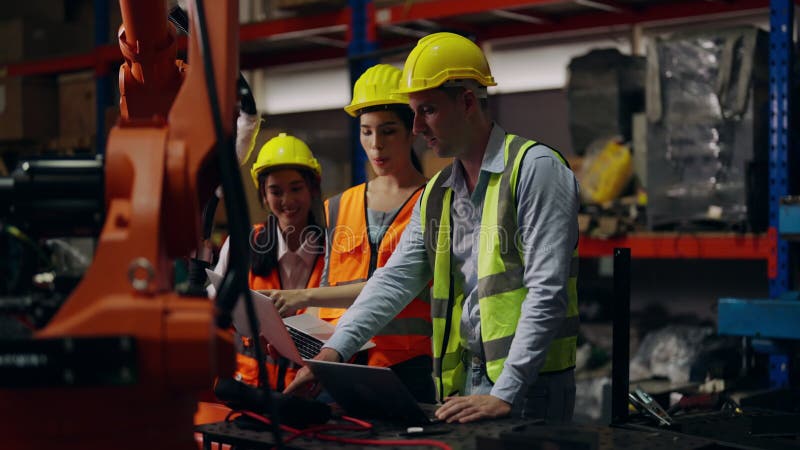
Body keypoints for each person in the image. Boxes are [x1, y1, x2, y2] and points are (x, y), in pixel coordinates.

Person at [286, 32, 580, 425]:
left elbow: (548, 292)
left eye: (427, 110)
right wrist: (332, 354)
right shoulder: (438, 194)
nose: (418, 127)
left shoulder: (535, 169)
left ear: (468, 102)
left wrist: (506, 391)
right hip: (469, 382)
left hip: (530, 384)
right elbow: (393, 280)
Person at [262, 64, 435, 403]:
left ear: (411, 130)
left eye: (388, 131)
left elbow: (396, 283)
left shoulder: (434, 202)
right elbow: (329, 286)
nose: (376, 146)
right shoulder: (339, 205)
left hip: (406, 367)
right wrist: (292, 335)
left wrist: (302, 295)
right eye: (367, 132)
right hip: (343, 361)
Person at [209, 132, 326, 390]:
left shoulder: (333, 253)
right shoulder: (242, 244)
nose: (287, 201)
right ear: (263, 194)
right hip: (247, 393)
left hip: (307, 398)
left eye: (296, 188)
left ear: (313, 189)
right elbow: (214, 311)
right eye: (275, 191)